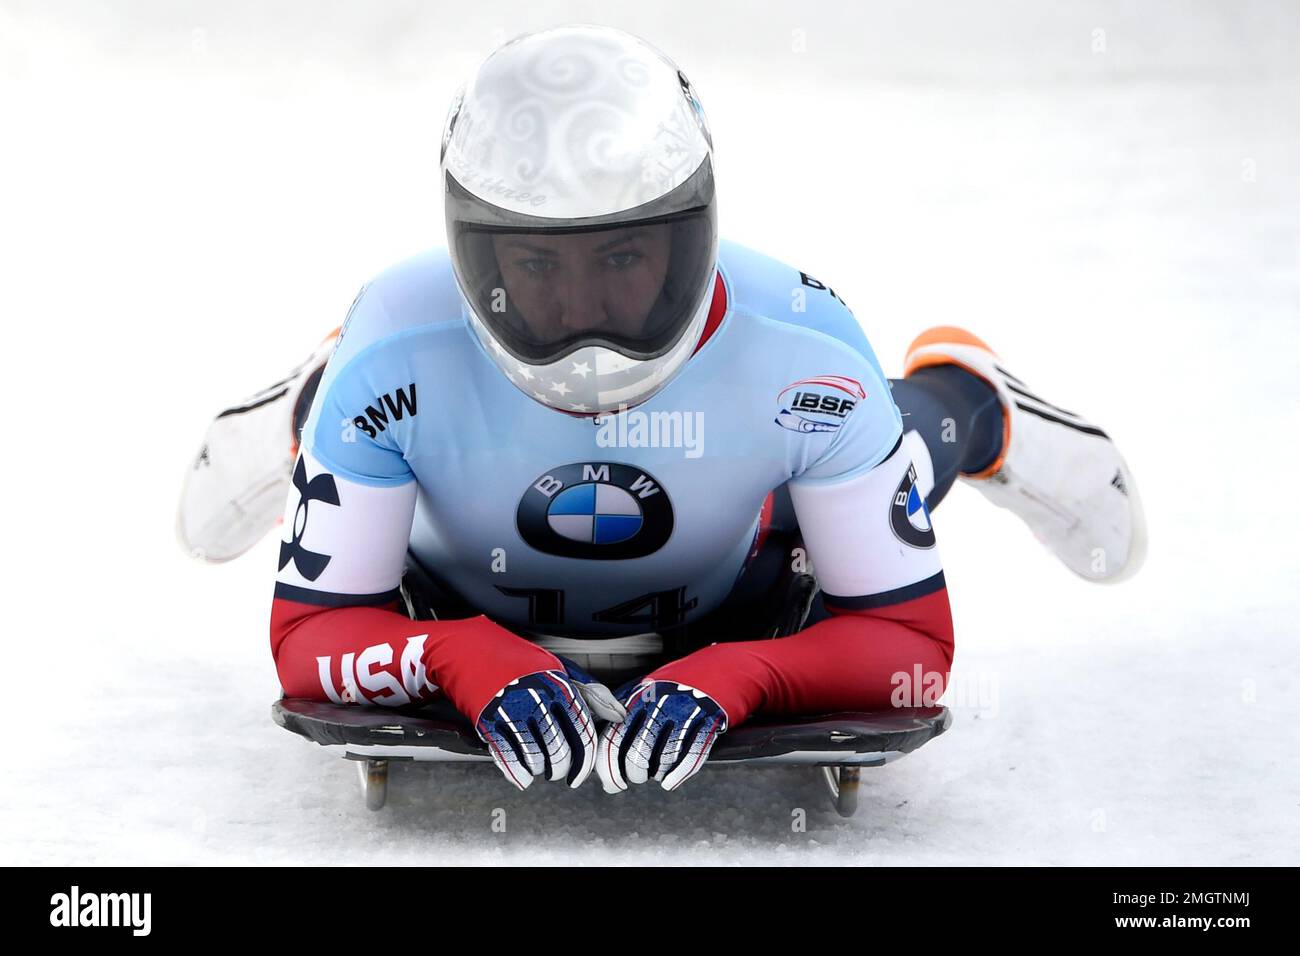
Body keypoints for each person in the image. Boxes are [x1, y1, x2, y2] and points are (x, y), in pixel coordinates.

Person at [177, 25, 1145, 794]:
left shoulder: (804, 349)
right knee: (370, 388)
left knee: (875, 437)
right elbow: (308, 643)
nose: (582, 320)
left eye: (623, 257)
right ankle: (316, 394)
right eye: (535, 266)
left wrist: (743, 672)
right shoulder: (396, 342)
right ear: (477, 255)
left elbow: (912, 656)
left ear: (691, 238)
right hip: (445, 524)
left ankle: (966, 398)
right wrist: (460, 653)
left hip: (741, 576)